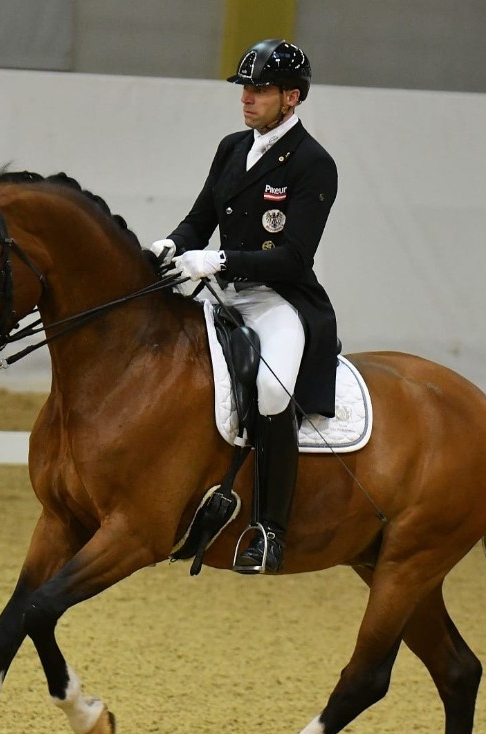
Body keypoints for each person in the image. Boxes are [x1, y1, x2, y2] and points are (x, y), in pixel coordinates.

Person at [150, 38, 339, 573]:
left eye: (260, 89)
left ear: (292, 98)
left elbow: (295, 256)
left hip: (276, 298)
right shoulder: (233, 147)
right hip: (222, 292)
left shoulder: (313, 164)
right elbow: (199, 217)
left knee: (272, 390)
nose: (247, 98)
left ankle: (269, 530)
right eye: (245, 88)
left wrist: (218, 261)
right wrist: (172, 243)